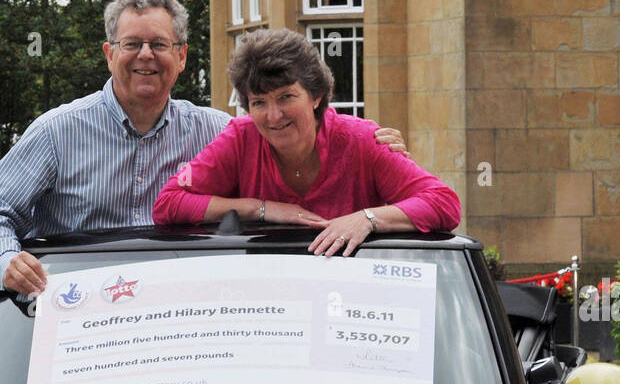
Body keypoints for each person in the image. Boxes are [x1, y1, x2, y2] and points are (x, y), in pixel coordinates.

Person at [0, 0, 410, 294]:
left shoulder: (219, 132)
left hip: (185, 333)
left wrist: (371, 141)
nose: (145, 56)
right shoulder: (55, 132)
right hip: (71, 323)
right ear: (109, 54)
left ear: (181, 56)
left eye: (160, 44)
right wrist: (6, 261)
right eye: (131, 44)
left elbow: (296, 128)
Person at [153, 29, 461, 256]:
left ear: (315, 96)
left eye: (286, 97)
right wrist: (261, 209)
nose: (273, 116)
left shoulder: (361, 140)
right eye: (259, 102)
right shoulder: (239, 138)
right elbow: (168, 205)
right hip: (266, 300)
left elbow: (444, 204)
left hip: (352, 296)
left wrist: (366, 219)